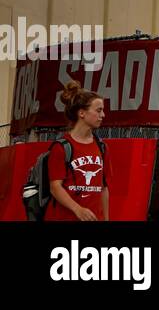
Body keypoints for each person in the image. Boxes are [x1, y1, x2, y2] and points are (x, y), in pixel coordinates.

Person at [46, 80, 110, 221]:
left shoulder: (101, 147)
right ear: (82, 113)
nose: (103, 115)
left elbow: (104, 188)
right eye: (98, 110)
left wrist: (106, 219)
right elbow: (55, 187)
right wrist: (78, 209)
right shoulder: (62, 147)